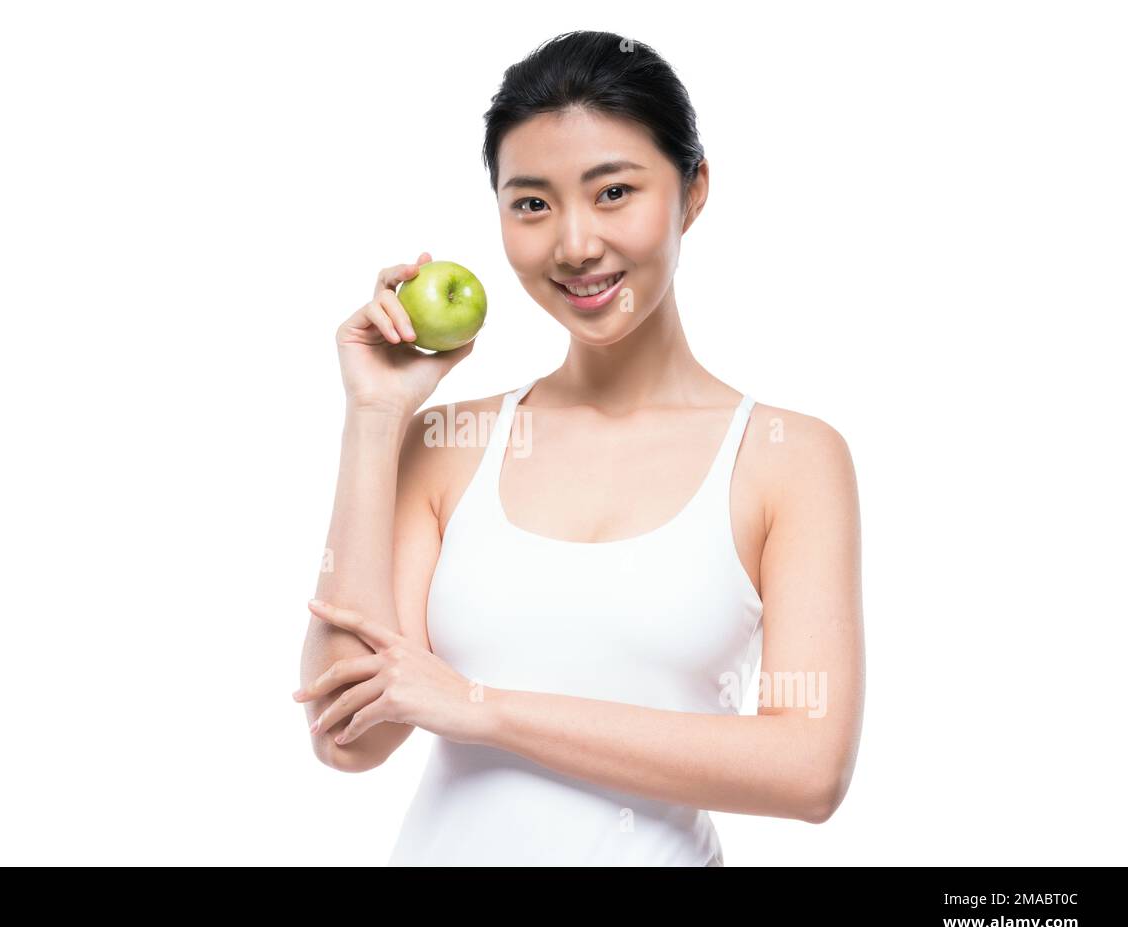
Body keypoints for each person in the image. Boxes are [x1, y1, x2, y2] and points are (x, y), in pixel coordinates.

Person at [293, 30, 865, 866]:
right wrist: (374, 417)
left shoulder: (789, 458)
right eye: (532, 204)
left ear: (693, 191)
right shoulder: (449, 444)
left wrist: (483, 707)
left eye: (613, 192)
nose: (574, 245)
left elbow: (808, 769)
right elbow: (346, 735)